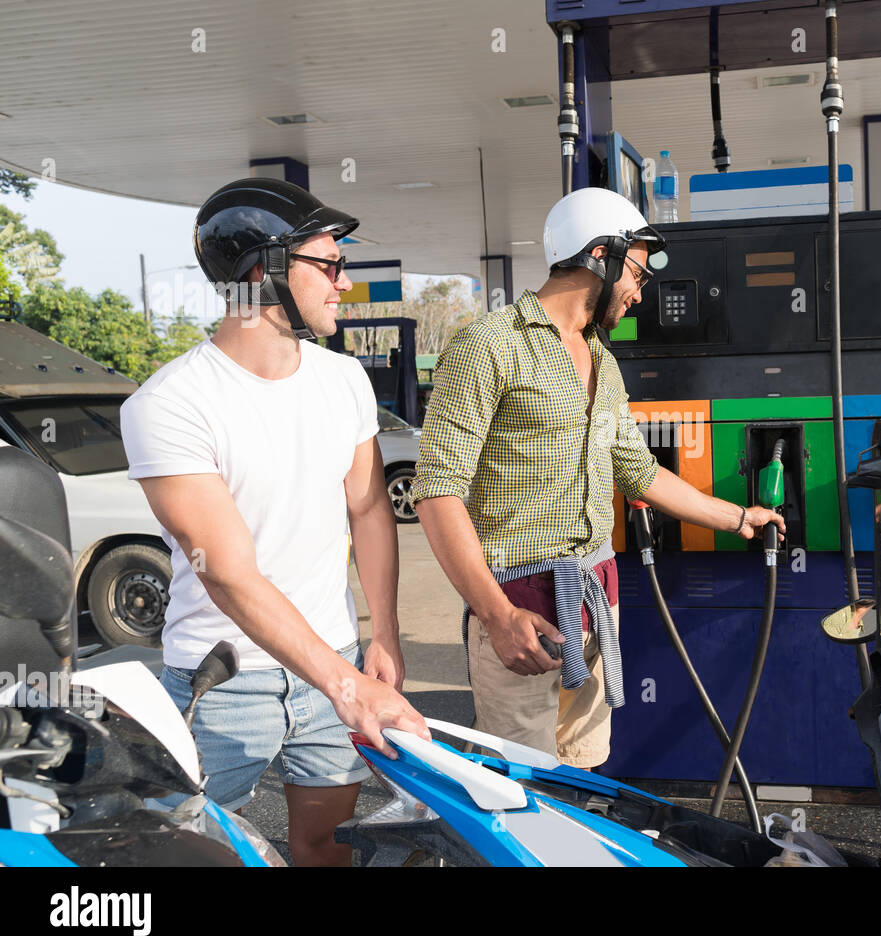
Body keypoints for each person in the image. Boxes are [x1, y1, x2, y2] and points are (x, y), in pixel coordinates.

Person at [413, 187, 784, 769]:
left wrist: (737, 518)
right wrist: (495, 615)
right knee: (522, 793)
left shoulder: (603, 361)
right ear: (600, 256)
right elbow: (436, 491)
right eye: (636, 269)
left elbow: (636, 470)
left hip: (594, 603)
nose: (642, 289)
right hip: (519, 608)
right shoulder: (488, 345)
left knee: (583, 777)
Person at [120, 178, 429, 866]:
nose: (343, 283)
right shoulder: (170, 404)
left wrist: (384, 635)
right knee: (189, 856)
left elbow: (369, 506)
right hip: (222, 680)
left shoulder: (343, 380)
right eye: (329, 264)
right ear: (262, 271)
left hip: (337, 661)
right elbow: (229, 574)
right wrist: (345, 686)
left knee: (324, 845)